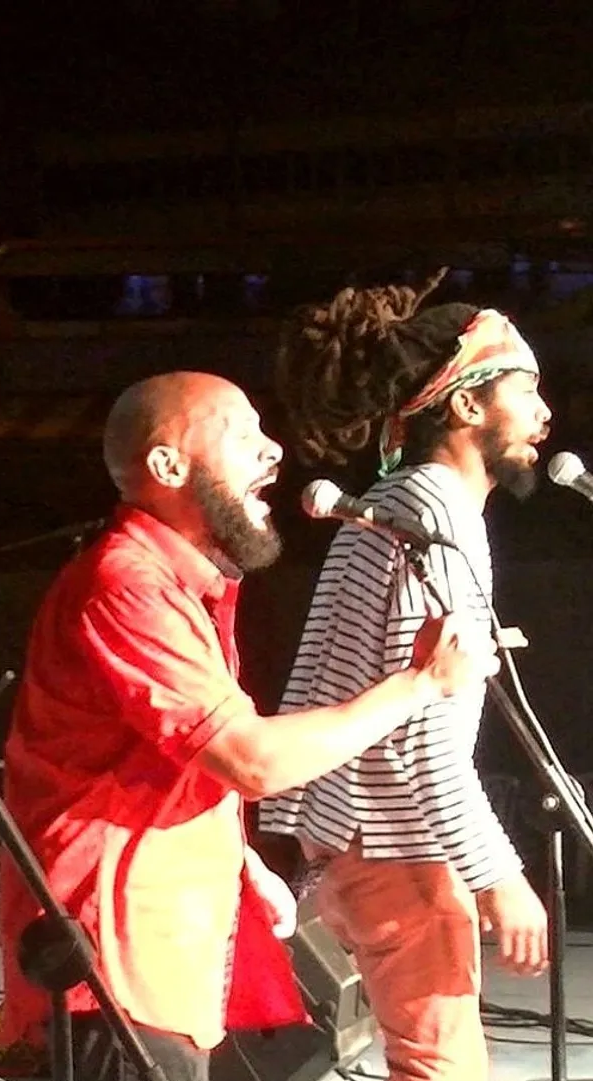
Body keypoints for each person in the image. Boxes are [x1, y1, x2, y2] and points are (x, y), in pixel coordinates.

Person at [0, 371, 499, 1081]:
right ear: (167, 466)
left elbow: (163, 765)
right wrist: (419, 683)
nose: (273, 452)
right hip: (110, 958)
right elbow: (250, 760)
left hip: (158, 959)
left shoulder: (184, 585)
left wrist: (238, 858)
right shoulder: (126, 583)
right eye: (242, 434)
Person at [264, 274, 553, 1080]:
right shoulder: (433, 520)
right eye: (526, 392)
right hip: (399, 854)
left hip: (365, 842)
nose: (544, 415)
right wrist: (498, 875)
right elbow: (423, 735)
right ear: (465, 406)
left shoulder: (398, 506)